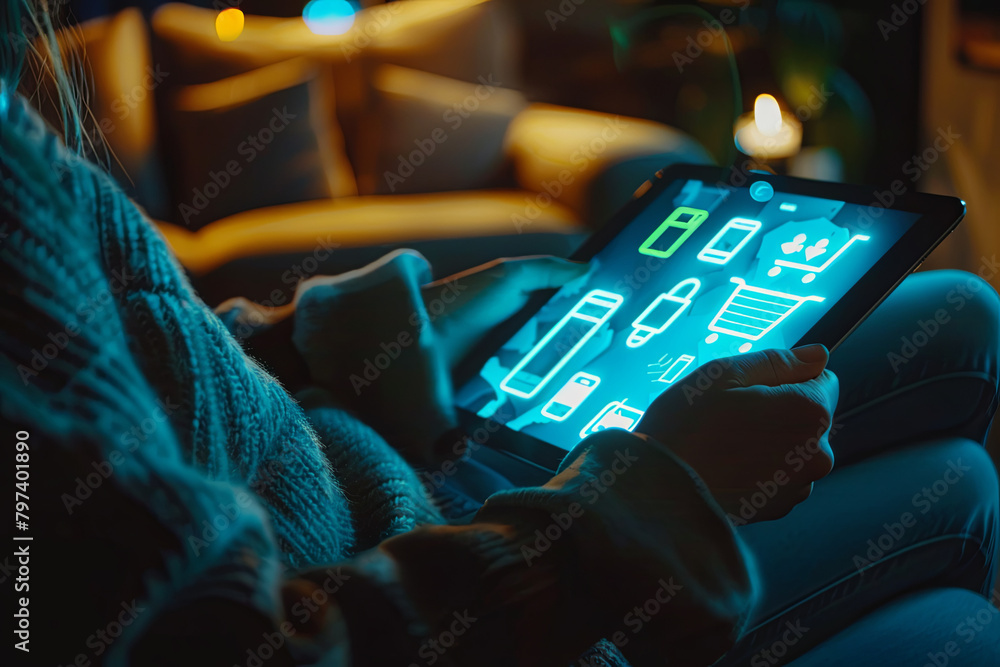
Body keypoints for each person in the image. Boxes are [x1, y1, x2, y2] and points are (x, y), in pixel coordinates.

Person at [1, 3, 998, 666]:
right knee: (956, 512)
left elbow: (158, 372)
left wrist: (358, 338)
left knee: (955, 324)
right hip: (463, 579)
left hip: (395, 479)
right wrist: (639, 501)